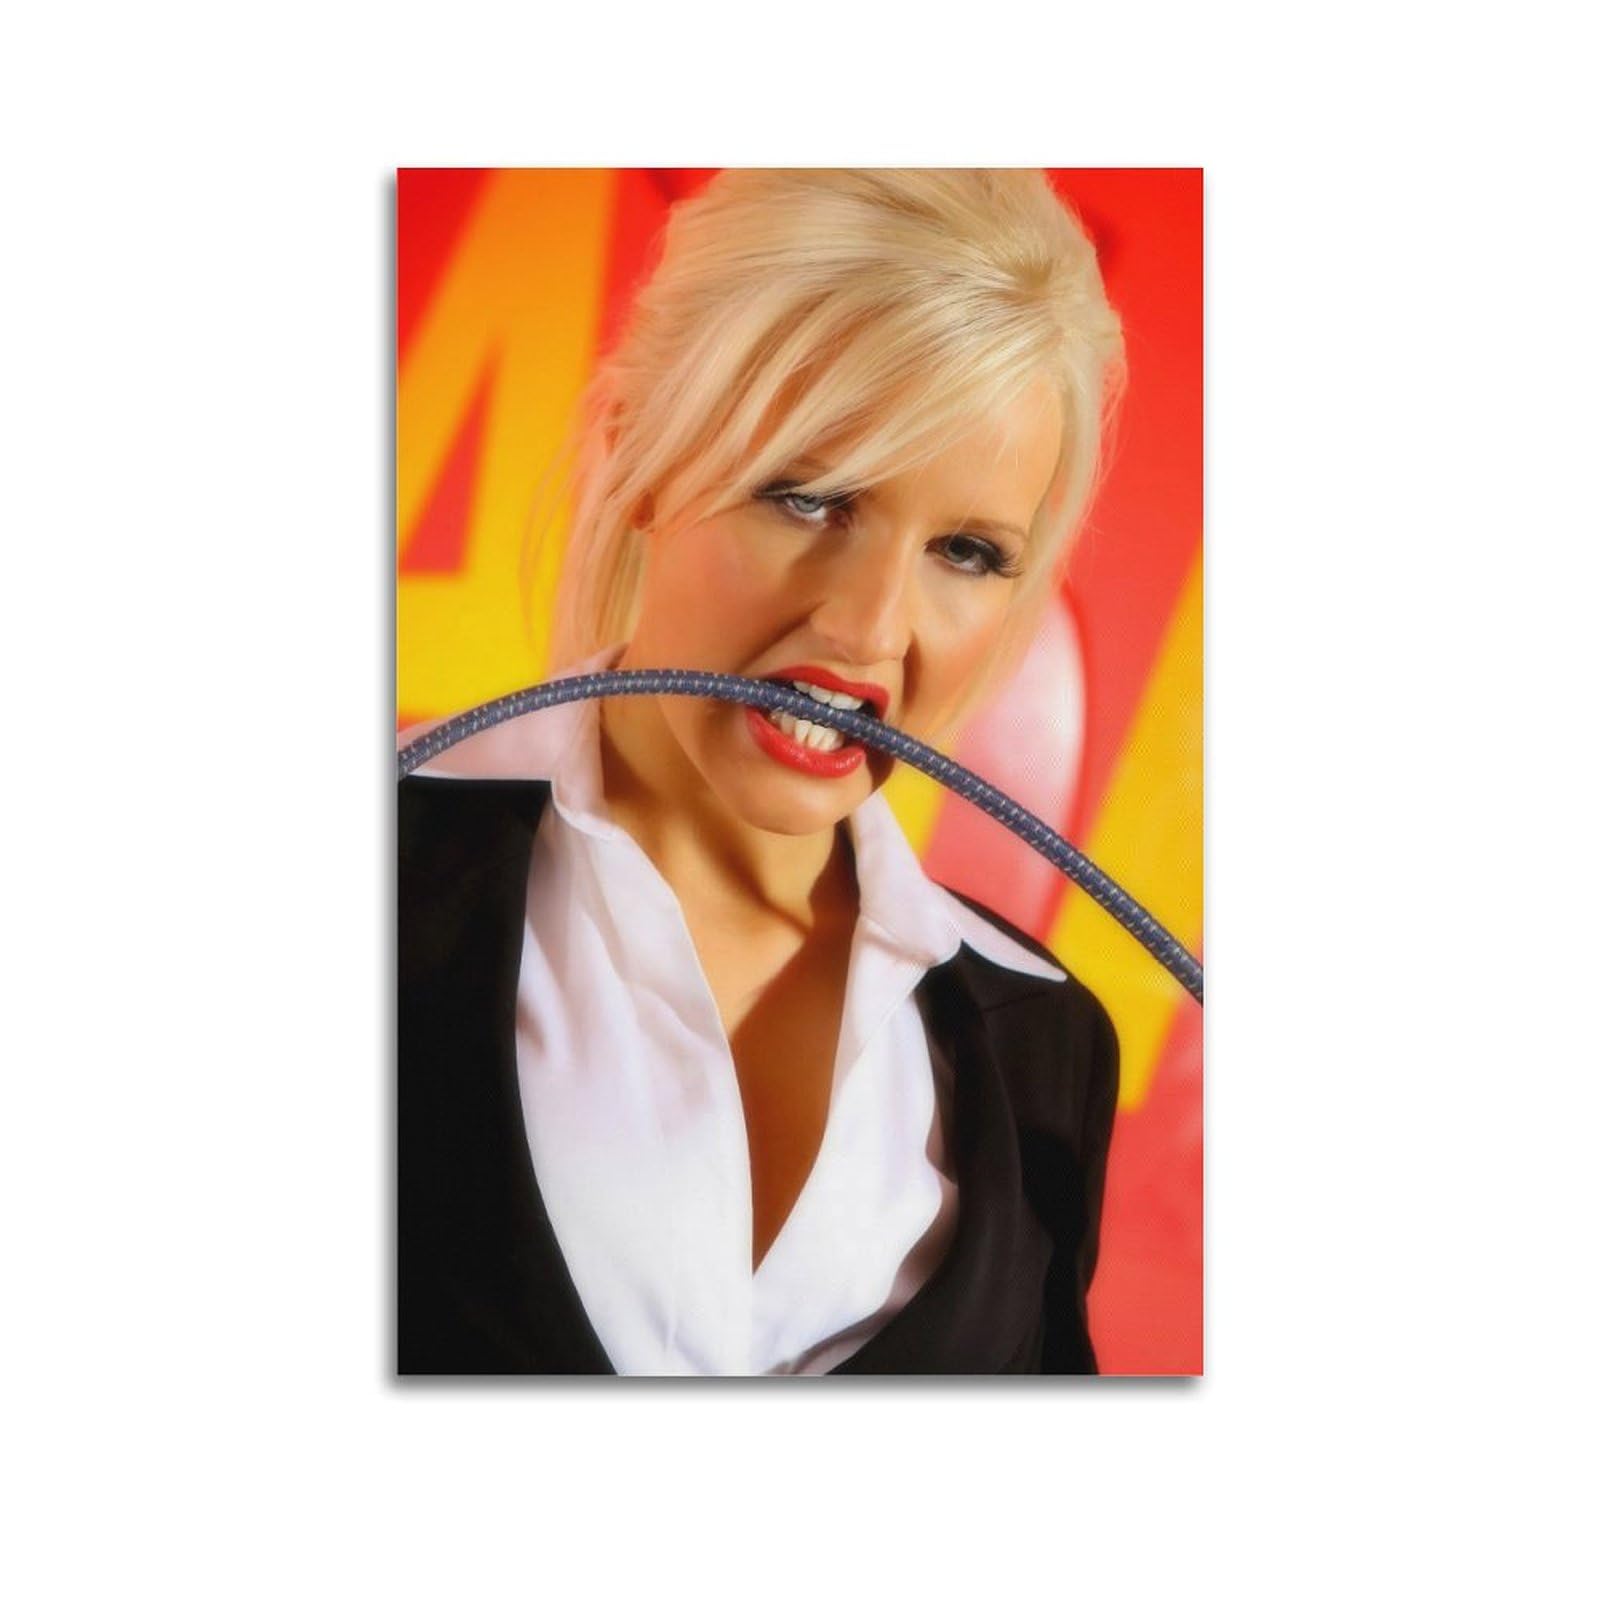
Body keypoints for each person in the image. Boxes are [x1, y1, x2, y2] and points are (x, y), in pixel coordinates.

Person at [398, 169, 1125, 1376]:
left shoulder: (1043, 1042)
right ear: (638, 459)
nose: (867, 627)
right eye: (809, 497)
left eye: (964, 550)